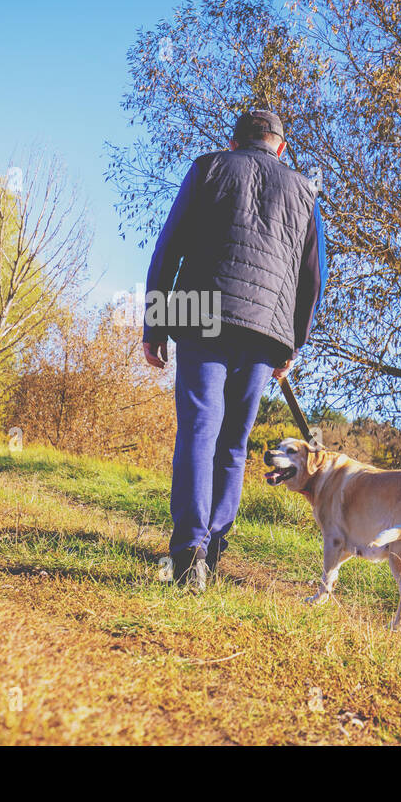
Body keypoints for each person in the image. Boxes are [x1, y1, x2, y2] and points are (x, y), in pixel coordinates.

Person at [142, 109, 326, 590]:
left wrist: (155, 324)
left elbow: (170, 245)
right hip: (266, 331)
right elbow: (312, 278)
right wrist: (293, 342)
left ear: (234, 142)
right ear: (281, 147)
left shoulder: (208, 168)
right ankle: (214, 549)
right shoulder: (305, 191)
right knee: (233, 443)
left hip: (200, 314)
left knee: (200, 432)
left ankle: (189, 556)